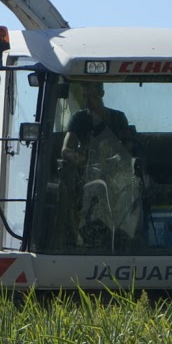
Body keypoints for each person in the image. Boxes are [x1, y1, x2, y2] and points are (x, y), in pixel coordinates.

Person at [59, 83, 143, 250]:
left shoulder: (118, 118)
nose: (89, 100)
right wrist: (80, 160)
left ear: (102, 93)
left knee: (134, 188)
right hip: (87, 174)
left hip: (118, 173)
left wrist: (116, 158)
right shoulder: (79, 119)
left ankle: (128, 238)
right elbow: (66, 150)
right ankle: (83, 238)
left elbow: (128, 147)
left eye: (93, 96)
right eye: (86, 96)